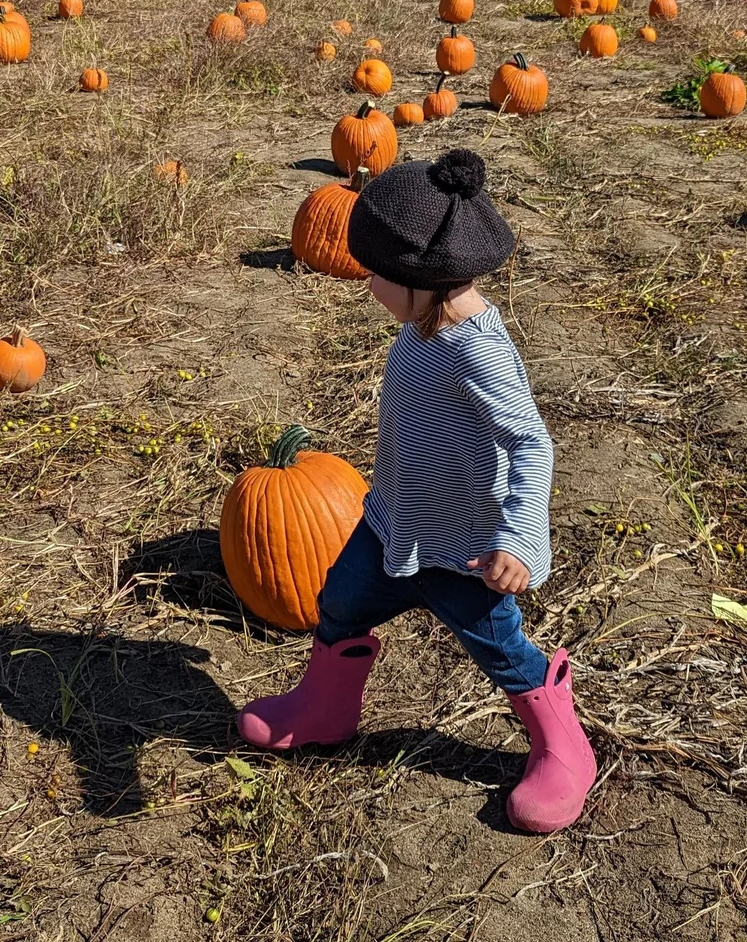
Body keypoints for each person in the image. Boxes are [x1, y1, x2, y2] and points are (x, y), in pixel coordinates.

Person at [237, 149, 596, 835]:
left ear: (420, 280)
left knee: (501, 652)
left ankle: (564, 748)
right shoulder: (423, 323)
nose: (364, 279)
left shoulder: (476, 348)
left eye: (374, 271)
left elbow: (531, 443)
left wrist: (518, 538)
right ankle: (325, 711)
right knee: (339, 603)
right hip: (392, 526)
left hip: (462, 551)